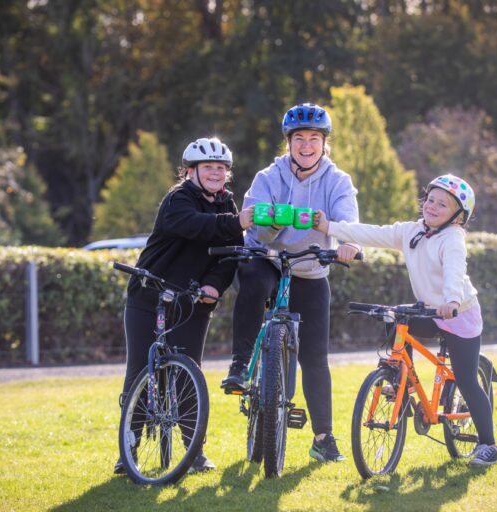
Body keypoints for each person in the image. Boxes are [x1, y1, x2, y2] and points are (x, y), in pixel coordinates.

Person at [313, 174, 497, 467]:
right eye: (430, 199)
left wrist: (451, 301)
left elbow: (454, 269)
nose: (433, 206)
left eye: (443, 204)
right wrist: (329, 227)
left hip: (458, 313)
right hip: (429, 311)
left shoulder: (452, 238)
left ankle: (489, 446)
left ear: (457, 217)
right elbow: (370, 232)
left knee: (465, 379)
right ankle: (405, 383)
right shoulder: (410, 231)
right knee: (394, 316)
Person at [221, 103, 361, 463]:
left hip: (310, 268)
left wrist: (348, 244)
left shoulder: (337, 181)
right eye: (299, 138)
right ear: (288, 142)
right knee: (251, 279)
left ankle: (323, 438)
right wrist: (273, 222)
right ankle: (239, 366)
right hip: (269, 259)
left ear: (324, 143)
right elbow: (253, 223)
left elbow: (349, 222)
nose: (307, 146)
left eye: (314, 139)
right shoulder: (268, 177)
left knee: (315, 357)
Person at [114, 137, 254, 475]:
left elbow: (229, 254)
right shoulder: (177, 200)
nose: (216, 173)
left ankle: (194, 452)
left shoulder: (227, 205)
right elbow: (195, 226)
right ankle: (127, 449)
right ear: (190, 171)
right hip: (150, 295)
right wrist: (235, 223)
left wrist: (214, 285)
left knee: (190, 375)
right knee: (139, 373)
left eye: (221, 168)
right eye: (208, 167)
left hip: (193, 301)